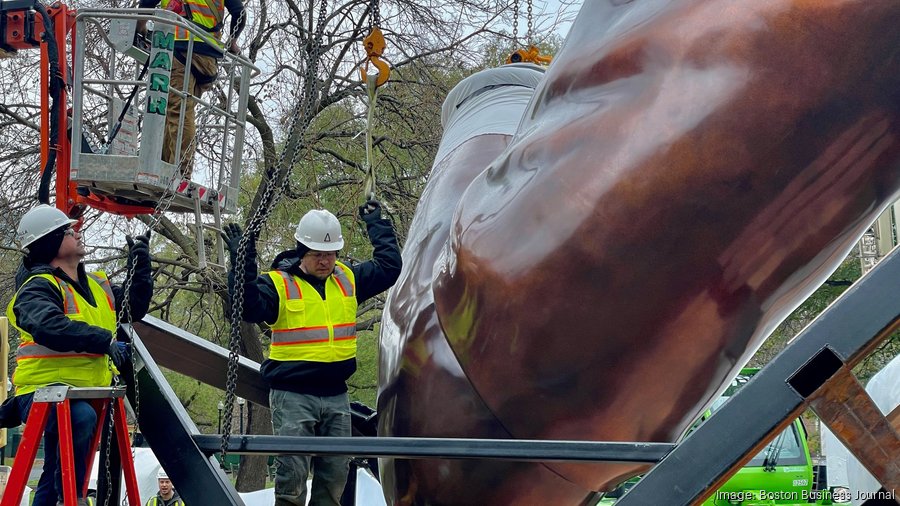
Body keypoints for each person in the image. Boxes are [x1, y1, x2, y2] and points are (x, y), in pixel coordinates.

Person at [225, 200, 402, 506]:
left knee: (335, 475)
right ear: (301, 251)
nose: (325, 261)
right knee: (291, 476)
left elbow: (389, 267)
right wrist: (243, 262)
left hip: (336, 395)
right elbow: (247, 306)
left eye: (331, 253)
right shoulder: (279, 284)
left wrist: (377, 225)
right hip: (293, 396)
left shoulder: (348, 280)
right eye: (318, 254)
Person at [5, 204, 153, 506]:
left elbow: (133, 306)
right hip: (42, 393)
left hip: (80, 393)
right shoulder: (38, 288)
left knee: (52, 471)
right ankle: (71, 499)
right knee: (80, 419)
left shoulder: (97, 285)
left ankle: (62, 497)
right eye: (69, 231)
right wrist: (103, 341)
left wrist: (141, 267)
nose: (77, 233)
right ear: (51, 244)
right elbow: (49, 326)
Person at [136, 0, 246, 179]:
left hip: (180, 49)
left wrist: (139, 27)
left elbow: (147, 4)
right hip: (208, 59)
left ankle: (181, 172)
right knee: (172, 113)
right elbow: (239, 12)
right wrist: (232, 42)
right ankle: (163, 165)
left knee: (177, 111)